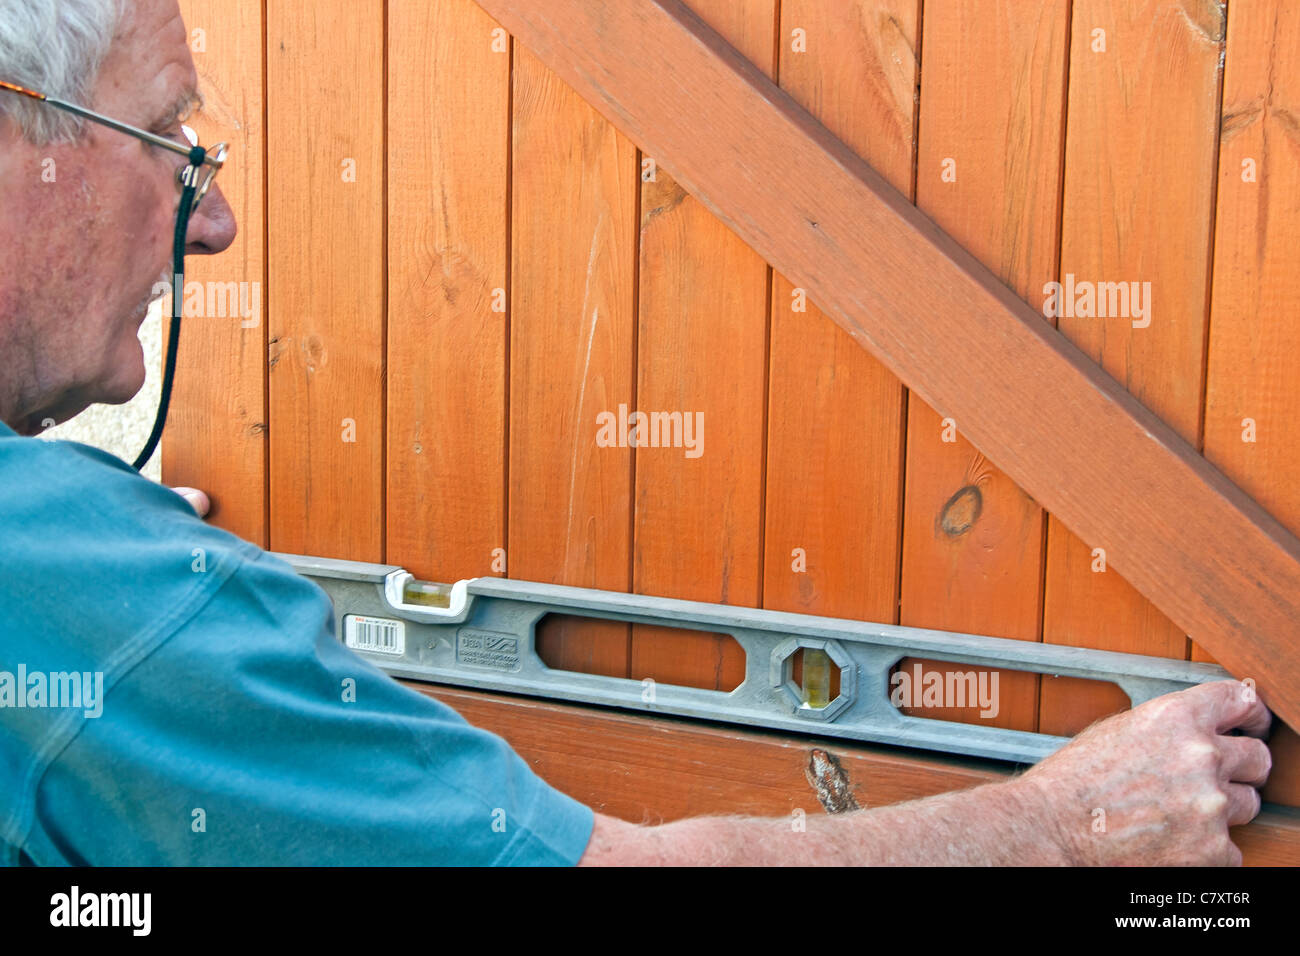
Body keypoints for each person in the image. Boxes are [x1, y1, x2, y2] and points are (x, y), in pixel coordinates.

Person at [0, 0, 1273, 867]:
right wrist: (1065, 823)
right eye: (168, 137)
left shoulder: (82, 584)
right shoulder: (65, 581)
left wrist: (159, 622)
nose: (209, 222)